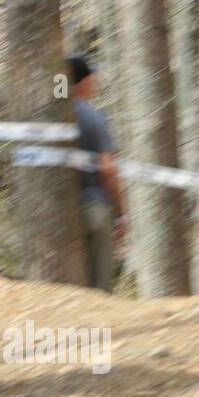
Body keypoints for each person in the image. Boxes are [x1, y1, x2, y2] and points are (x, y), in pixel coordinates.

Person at [68, 54, 126, 290]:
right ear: (82, 82)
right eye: (92, 78)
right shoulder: (94, 117)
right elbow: (108, 168)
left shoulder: (54, 117)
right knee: (100, 287)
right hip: (96, 207)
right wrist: (122, 213)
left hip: (65, 212)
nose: (95, 82)